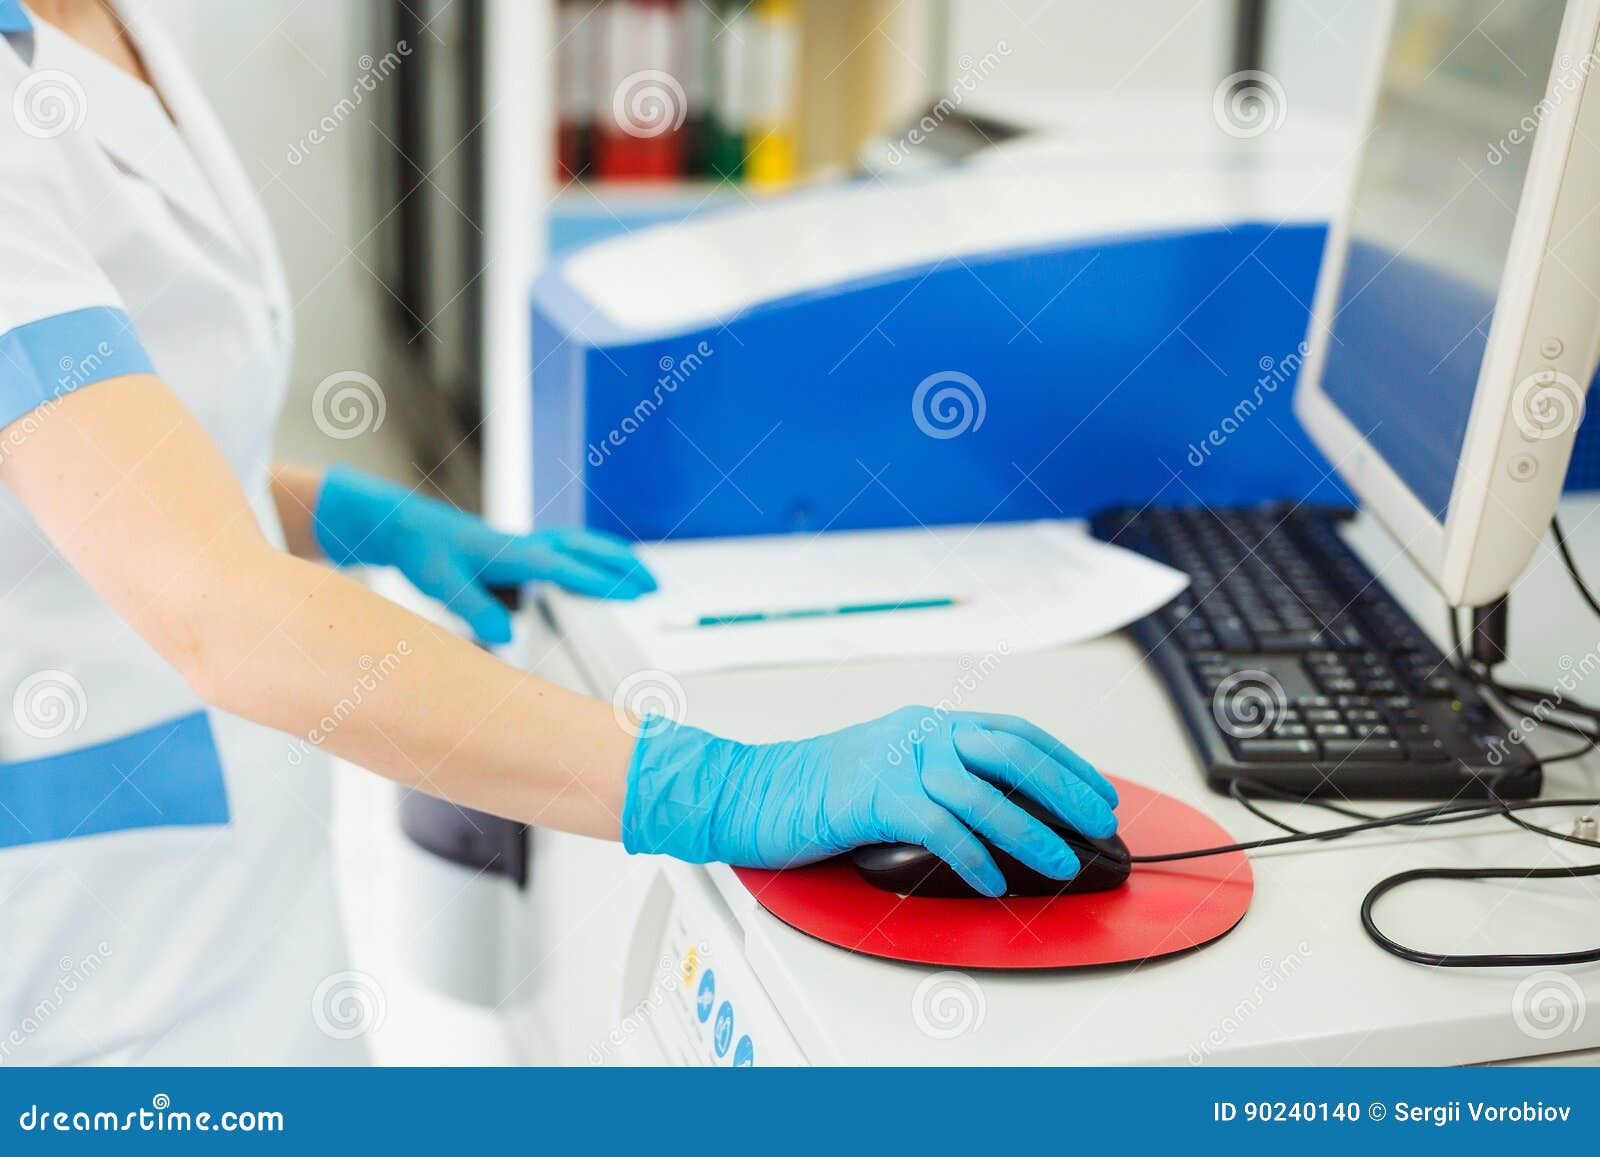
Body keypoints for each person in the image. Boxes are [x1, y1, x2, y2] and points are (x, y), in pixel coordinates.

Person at [0, 0, 1118, 1064]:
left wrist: (350, 513)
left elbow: (124, 448)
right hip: (97, 939)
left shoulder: (101, 19)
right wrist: (722, 785)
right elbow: (219, 613)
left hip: (236, 876)